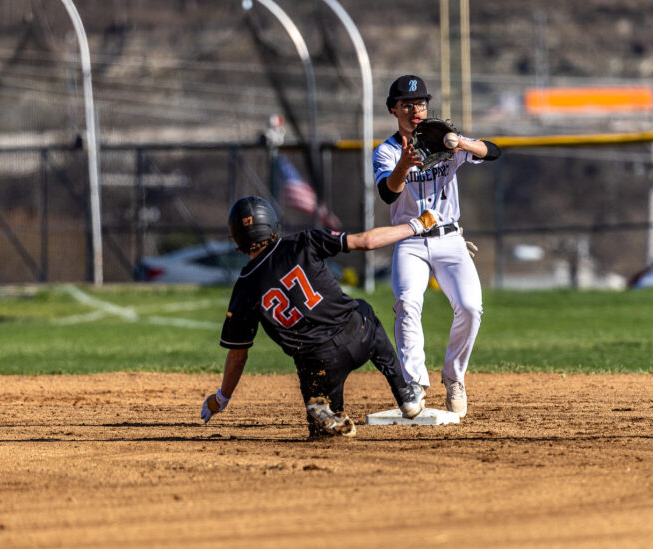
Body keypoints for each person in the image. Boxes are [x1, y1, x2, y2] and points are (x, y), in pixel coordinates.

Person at [200, 196, 440, 439]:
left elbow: (238, 353)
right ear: (272, 224)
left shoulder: (245, 286)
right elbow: (366, 241)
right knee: (363, 308)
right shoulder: (301, 243)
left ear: (237, 239)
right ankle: (404, 394)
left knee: (322, 426)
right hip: (358, 335)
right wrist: (417, 225)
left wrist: (222, 398)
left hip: (319, 365)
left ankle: (327, 414)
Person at [372, 74, 501, 417]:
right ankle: (414, 383)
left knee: (471, 308)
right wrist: (404, 163)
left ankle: (454, 378)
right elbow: (388, 192)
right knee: (407, 303)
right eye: (408, 104)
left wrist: (460, 143)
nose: (416, 109)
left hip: (450, 238)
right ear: (393, 109)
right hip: (409, 239)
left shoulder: (442, 140)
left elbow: (493, 151)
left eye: (422, 103)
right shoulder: (385, 151)